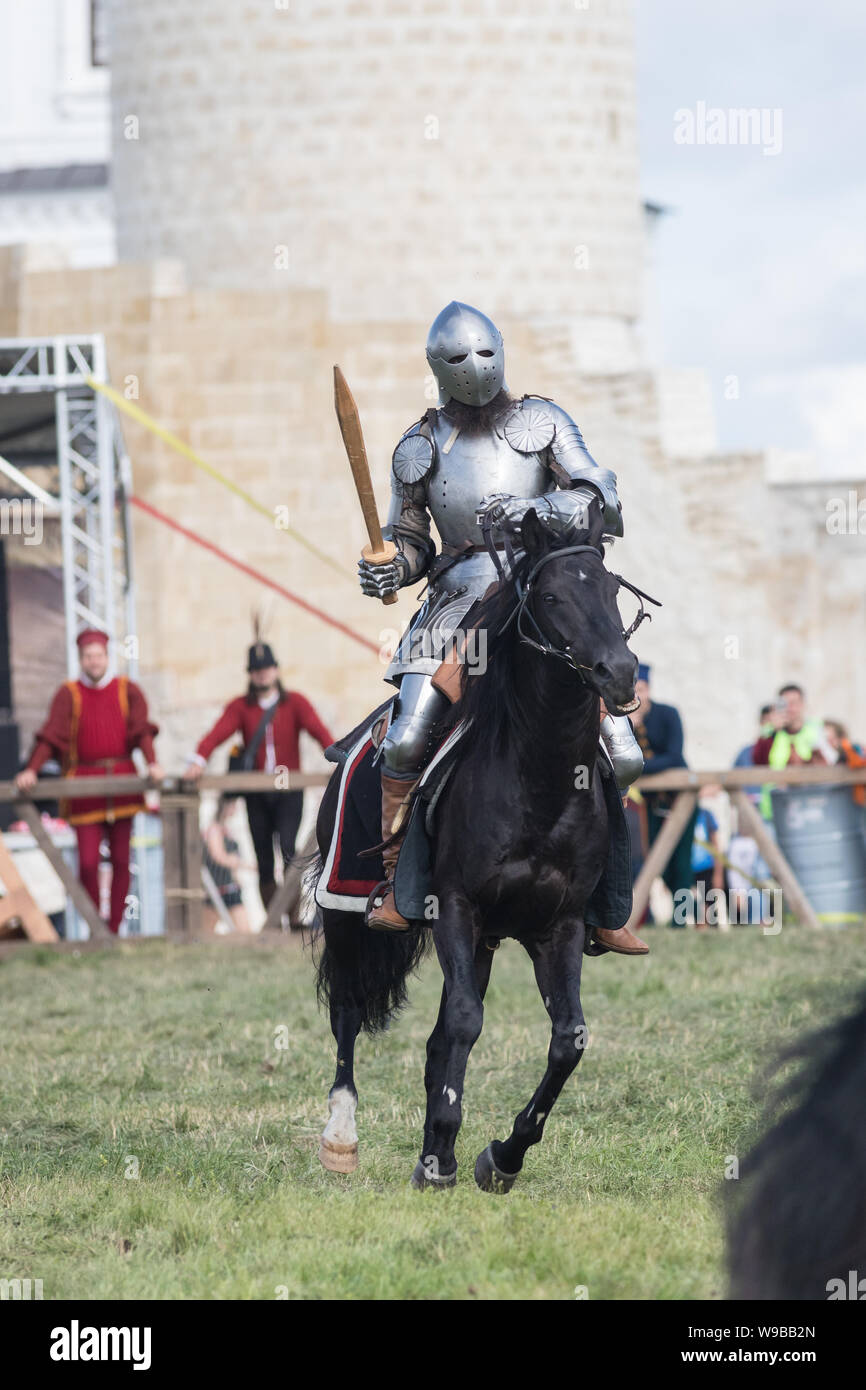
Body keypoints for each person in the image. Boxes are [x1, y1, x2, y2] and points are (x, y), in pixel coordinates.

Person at [357, 300, 647, 951]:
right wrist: (389, 569)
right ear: (439, 367)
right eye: (460, 359)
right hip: (454, 604)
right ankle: (401, 890)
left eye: (485, 355)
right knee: (406, 740)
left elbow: (606, 502)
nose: (476, 370)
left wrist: (532, 506)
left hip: (540, 599)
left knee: (623, 753)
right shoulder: (420, 444)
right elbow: (411, 543)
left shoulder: (541, 422)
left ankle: (605, 903)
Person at [15, 628, 162, 935]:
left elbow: (141, 731)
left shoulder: (127, 689)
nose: (94, 662)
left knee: (122, 860)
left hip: (122, 781)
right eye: (88, 656)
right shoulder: (68, 694)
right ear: (81, 659)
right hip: (83, 783)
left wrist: (152, 763)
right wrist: (32, 768)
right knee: (87, 863)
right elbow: (51, 735)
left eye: (98, 655)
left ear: (107, 657)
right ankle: (96, 927)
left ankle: (114, 927)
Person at [185, 636, 333, 914]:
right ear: (251, 675)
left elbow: (319, 731)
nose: (262, 674)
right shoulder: (241, 707)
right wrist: (199, 759)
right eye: (256, 670)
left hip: (289, 791)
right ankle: (273, 921)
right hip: (257, 794)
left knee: (289, 850)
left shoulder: (295, 703)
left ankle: (293, 918)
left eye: (266, 668)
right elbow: (217, 734)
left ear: (275, 670)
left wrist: (338, 758)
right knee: (263, 858)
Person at [630, 662, 697, 925]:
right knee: (655, 863)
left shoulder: (668, 714)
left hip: (680, 799)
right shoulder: (624, 723)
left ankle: (680, 922)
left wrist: (641, 769)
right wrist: (631, 730)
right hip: (650, 803)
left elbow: (674, 756)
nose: (637, 695)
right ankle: (657, 919)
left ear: (649, 690)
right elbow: (621, 759)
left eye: (641, 689)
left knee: (681, 865)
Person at [752, 684, 829, 820]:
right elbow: (758, 762)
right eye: (785, 704)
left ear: (803, 704)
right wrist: (773, 733)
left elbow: (828, 764)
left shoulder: (816, 730)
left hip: (811, 808)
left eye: (794, 703)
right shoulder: (769, 733)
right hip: (776, 809)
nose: (790, 708)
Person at [201, 795, 253, 933]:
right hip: (216, 890)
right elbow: (219, 856)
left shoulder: (226, 830)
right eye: (233, 805)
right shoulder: (214, 829)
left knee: (244, 931)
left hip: (229, 889)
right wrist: (246, 865)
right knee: (206, 933)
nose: (235, 809)